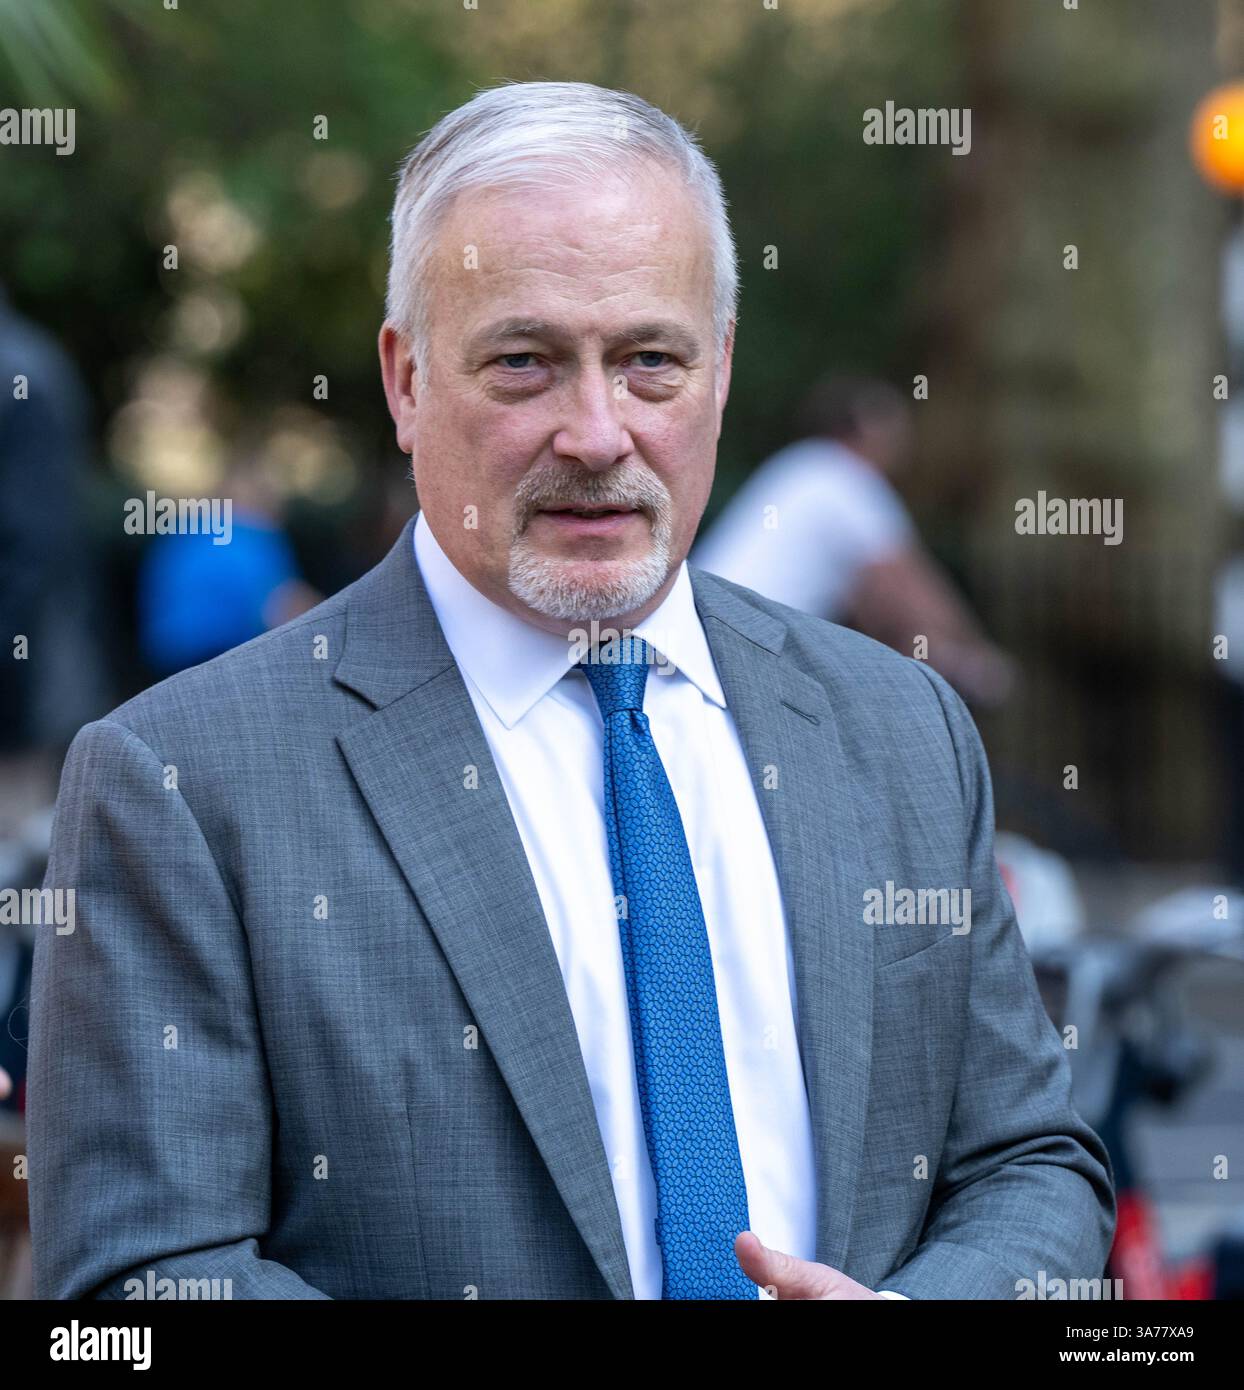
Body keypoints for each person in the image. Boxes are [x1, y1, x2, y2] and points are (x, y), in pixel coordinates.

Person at [28, 81, 1114, 1301]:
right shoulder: (180, 783)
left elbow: (1027, 1161)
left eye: (650, 360)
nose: (596, 432)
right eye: (525, 363)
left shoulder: (901, 727)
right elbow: (137, 1284)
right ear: (403, 380)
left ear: (720, 369)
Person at [693, 373, 1015, 707]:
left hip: (713, 630)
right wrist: (975, 655)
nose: (903, 439)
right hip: (740, 644)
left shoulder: (806, 466)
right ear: (865, 424)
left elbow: (873, 602)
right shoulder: (844, 476)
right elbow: (909, 585)